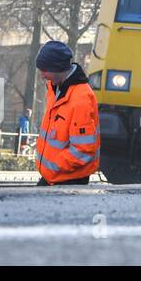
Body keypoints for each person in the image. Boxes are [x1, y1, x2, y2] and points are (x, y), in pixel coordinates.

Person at [34, 41, 100, 186]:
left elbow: (83, 150)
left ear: (57, 68)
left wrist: (54, 166)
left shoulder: (81, 99)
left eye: (44, 70)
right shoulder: (55, 88)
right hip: (55, 177)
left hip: (68, 180)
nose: (42, 76)